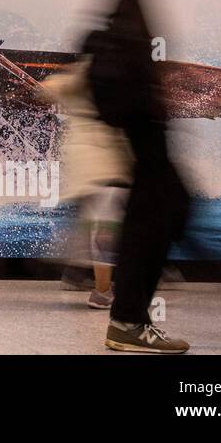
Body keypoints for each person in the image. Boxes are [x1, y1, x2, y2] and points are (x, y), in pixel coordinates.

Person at [87, 0, 192, 353]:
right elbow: (130, 79)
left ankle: (129, 319)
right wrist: (151, 116)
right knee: (156, 220)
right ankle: (128, 321)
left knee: (165, 214)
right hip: (145, 138)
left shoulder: (127, 1)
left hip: (144, 138)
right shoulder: (127, 4)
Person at [42, 38, 133, 310]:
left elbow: (47, 89)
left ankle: (75, 274)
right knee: (105, 229)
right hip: (104, 162)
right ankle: (102, 291)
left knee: (92, 224)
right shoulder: (111, 73)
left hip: (85, 162)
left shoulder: (84, 73)